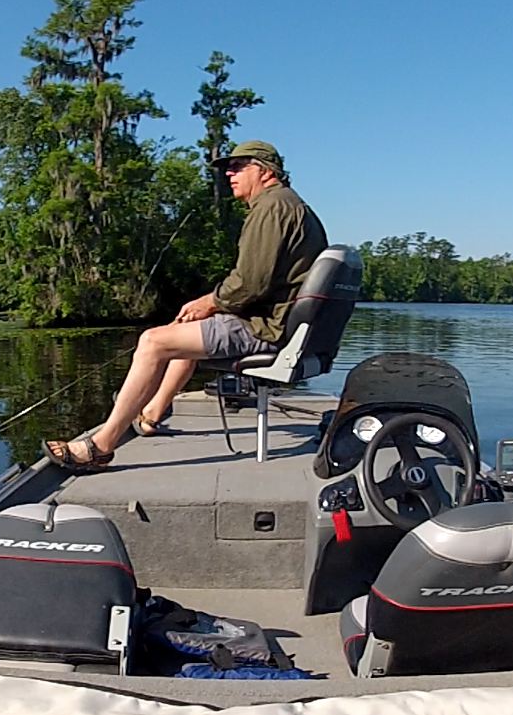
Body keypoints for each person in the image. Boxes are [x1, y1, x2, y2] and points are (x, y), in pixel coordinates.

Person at [42, 139, 329, 473]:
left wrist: (210, 302)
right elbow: (256, 283)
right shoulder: (292, 206)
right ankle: (150, 415)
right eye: (227, 169)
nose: (229, 174)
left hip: (267, 329)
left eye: (238, 167)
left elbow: (251, 283)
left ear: (265, 171)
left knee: (152, 341)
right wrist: (209, 306)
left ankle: (101, 446)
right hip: (281, 325)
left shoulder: (271, 208)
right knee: (178, 334)